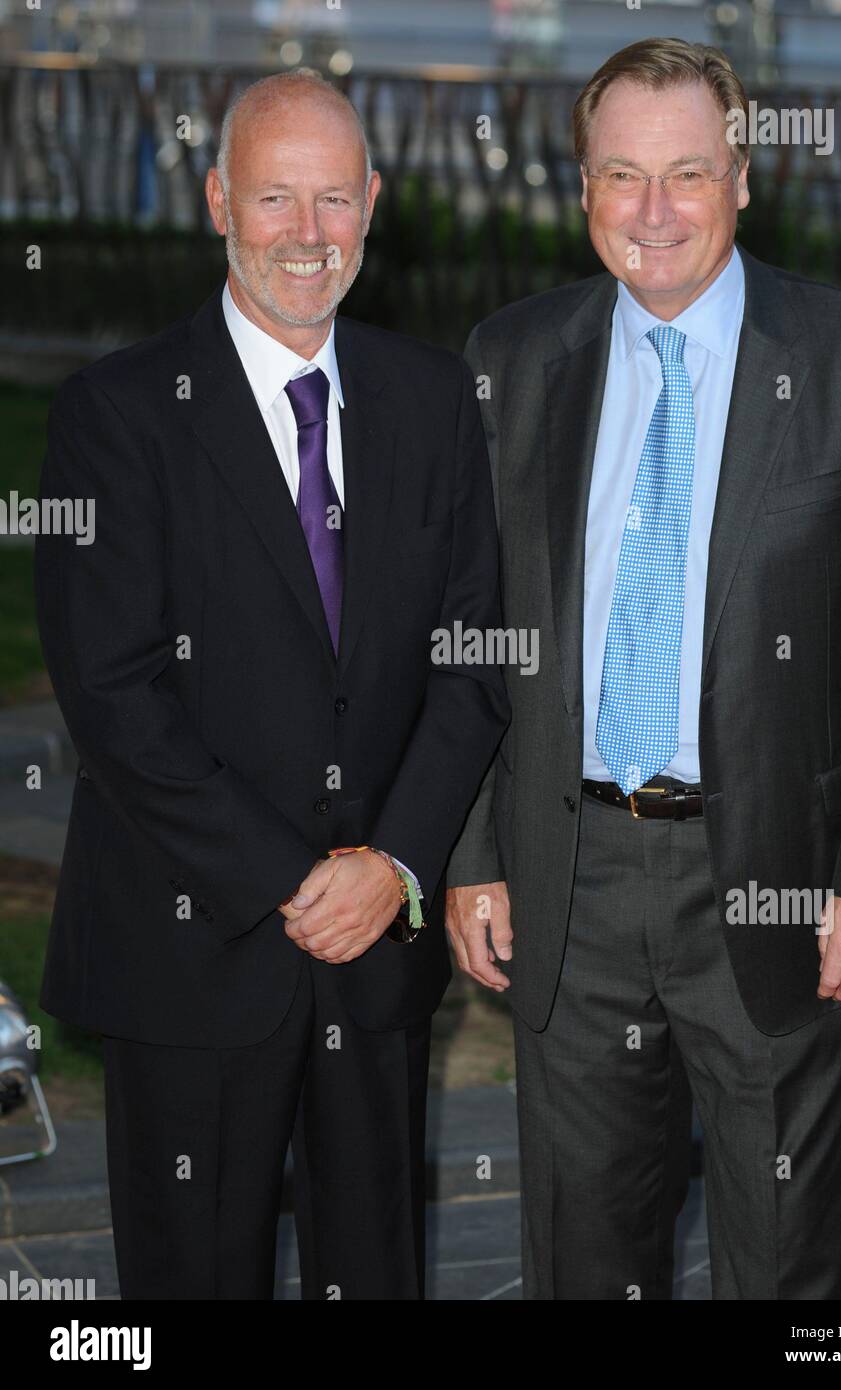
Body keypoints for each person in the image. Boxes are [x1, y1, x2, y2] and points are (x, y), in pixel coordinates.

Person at [446, 37, 841, 1299]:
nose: (654, 211)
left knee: (790, 1262)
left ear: (742, 179)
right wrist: (472, 856)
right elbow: (462, 635)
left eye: (687, 173)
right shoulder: (509, 363)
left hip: (781, 880)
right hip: (570, 878)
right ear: (581, 190)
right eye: (621, 175)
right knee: (581, 1254)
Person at [34, 68, 509, 1300]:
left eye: (335, 199)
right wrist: (298, 883)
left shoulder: (434, 402)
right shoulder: (115, 415)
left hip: (376, 957)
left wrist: (396, 864)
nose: (308, 234)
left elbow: (473, 659)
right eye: (276, 198)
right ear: (216, 201)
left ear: (375, 203)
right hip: (191, 954)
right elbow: (116, 697)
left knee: (374, 1271)